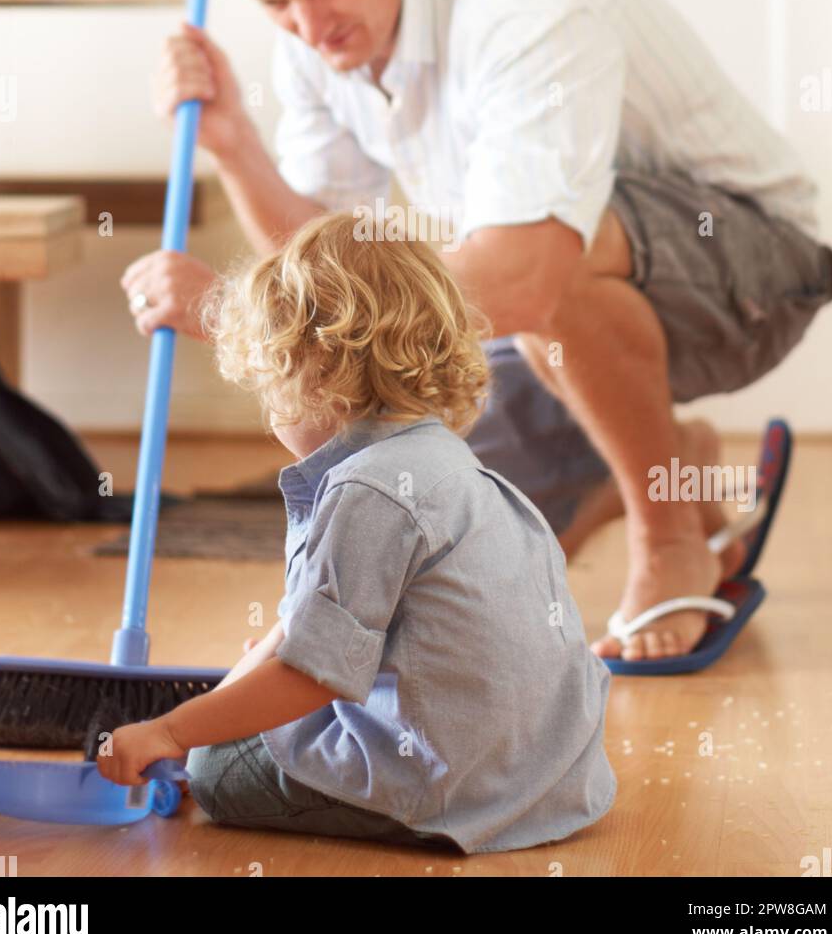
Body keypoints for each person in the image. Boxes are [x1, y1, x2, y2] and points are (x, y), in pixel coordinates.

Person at [120, 0, 832, 665]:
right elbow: (325, 253)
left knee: (545, 273)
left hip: (754, 270)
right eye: (276, 4)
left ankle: (667, 539)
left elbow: (524, 276)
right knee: (425, 518)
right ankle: (671, 461)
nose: (311, 29)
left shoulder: (528, 2)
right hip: (560, 316)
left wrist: (242, 312)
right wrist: (235, 146)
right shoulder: (318, 41)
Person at [103, 212, 617, 854]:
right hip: (550, 778)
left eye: (269, 386)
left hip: (451, 788)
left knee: (218, 771)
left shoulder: (365, 491)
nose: (270, 413)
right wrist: (242, 686)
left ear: (314, 371)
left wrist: (177, 736)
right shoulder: (454, 465)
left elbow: (307, 677)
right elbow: (300, 634)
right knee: (264, 693)